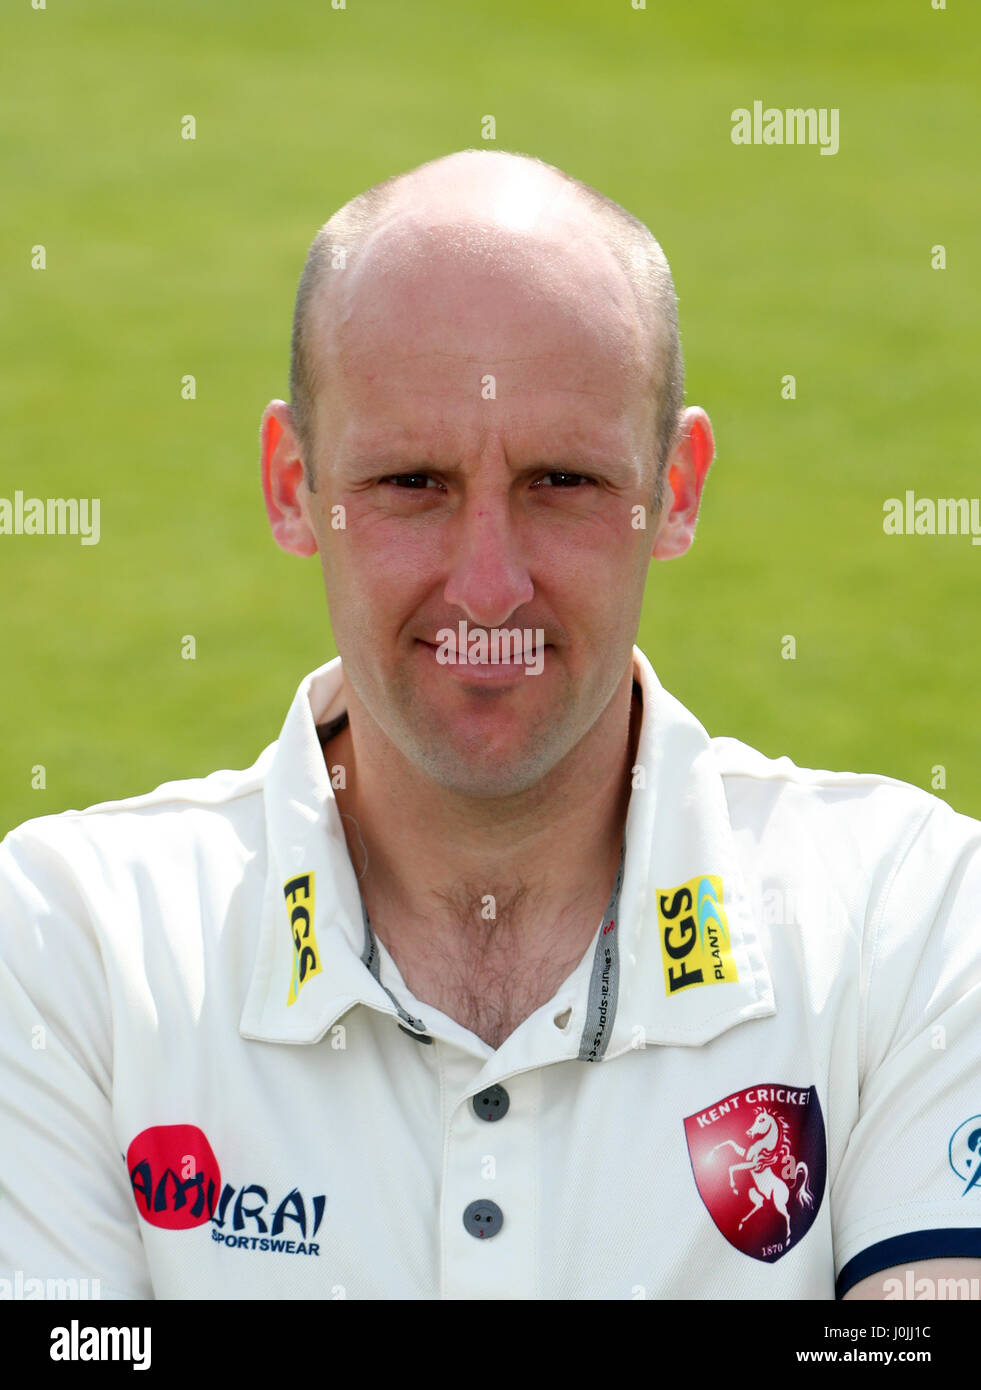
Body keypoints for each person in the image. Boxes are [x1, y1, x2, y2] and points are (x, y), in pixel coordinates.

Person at [1, 149, 979, 1302]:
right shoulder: (69, 942)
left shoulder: (913, 917)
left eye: (560, 481)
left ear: (675, 488)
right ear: (291, 483)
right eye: (414, 482)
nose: (489, 584)